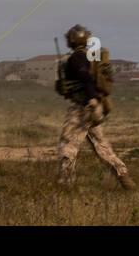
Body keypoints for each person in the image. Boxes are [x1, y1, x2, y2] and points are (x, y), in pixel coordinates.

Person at [55, 24, 133, 189]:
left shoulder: (77, 58)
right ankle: (123, 176)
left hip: (83, 107)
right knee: (101, 145)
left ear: (71, 40)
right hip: (95, 106)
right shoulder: (92, 56)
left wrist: (91, 99)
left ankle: (65, 184)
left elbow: (85, 77)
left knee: (68, 144)